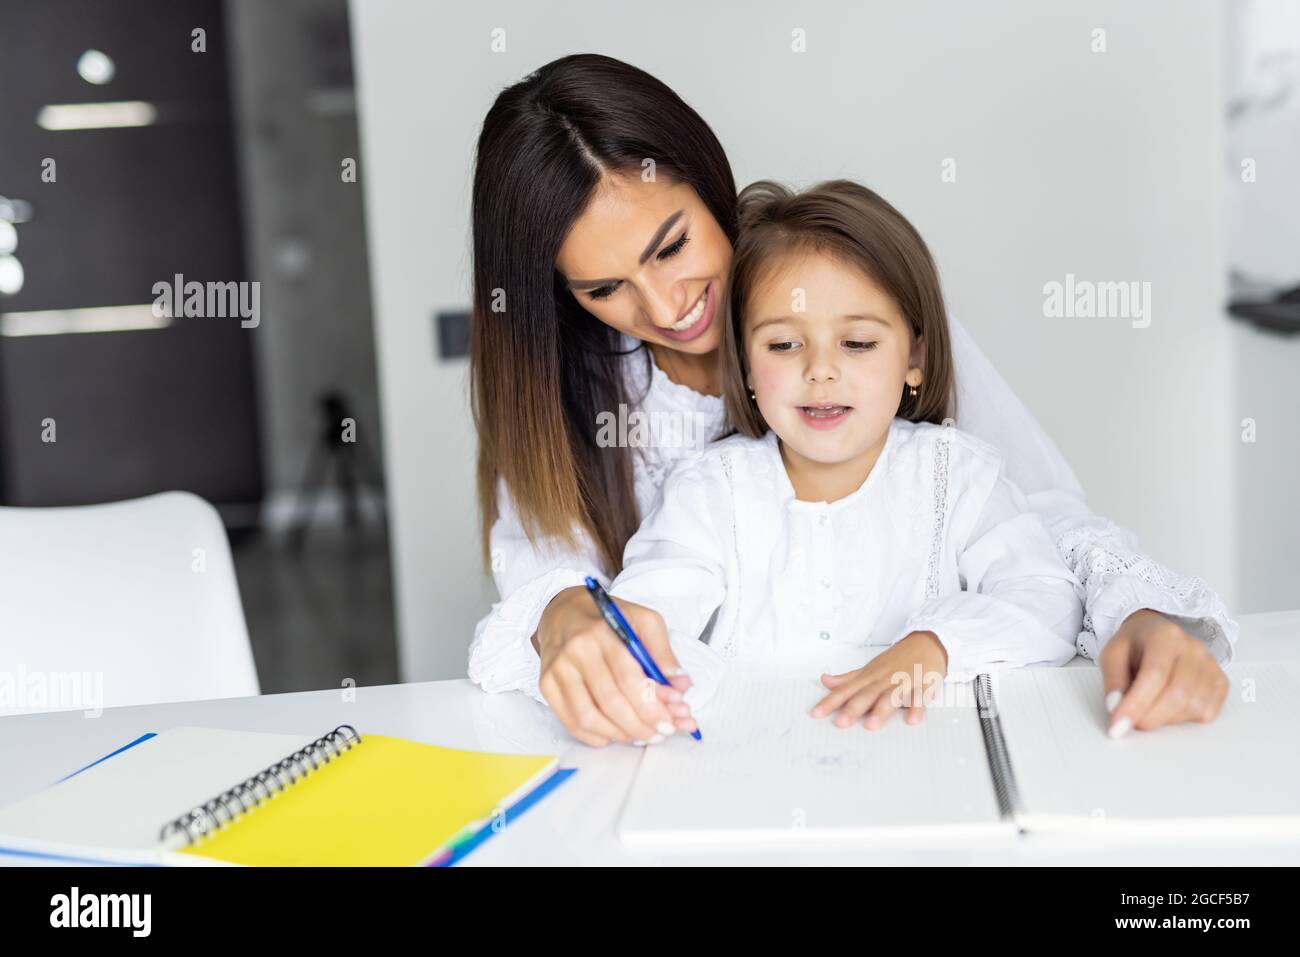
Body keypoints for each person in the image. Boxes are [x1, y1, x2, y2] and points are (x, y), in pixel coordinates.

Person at [466, 53, 1235, 748]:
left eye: (672, 247)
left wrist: (1137, 615)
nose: (666, 306)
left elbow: (1040, 526)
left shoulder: (863, 308)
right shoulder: (606, 417)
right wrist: (566, 617)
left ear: (708, 181)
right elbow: (582, 583)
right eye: (604, 288)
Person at [607, 178, 1082, 733]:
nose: (821, 371)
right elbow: (650, 617)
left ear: (916, 357)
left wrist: (935, 646)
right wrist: (644, 668)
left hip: (926, 759)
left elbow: (1049, 600)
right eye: (784, 345)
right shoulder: (708, 494)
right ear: (745, 367)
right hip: (750, 770)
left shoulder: (957, 478)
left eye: (857, 343)